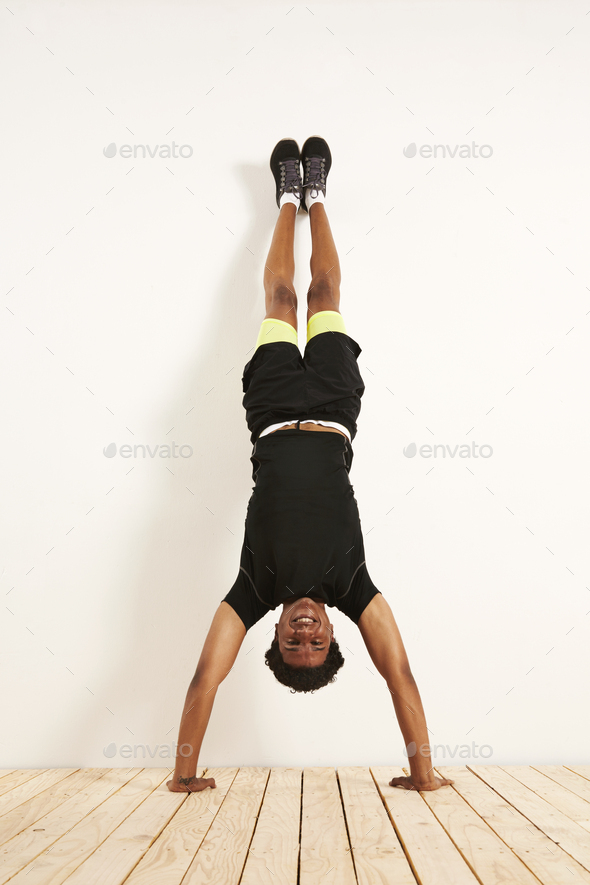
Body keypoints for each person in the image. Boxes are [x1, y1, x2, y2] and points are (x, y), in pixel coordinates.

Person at [167, 138, 453, 794]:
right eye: (315, 643)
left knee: (280, 297)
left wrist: (184, 774)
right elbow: (399, 674)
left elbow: (204, 678)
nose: (303, 633)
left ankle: (285, 200)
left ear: (274, 639)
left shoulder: (252, 590)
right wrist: (424, 773)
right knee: (325, 289)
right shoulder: (355, 587)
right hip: (332, 406)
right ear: (330, 634)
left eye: (293, 644)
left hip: (270, 408)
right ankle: (317, 193)